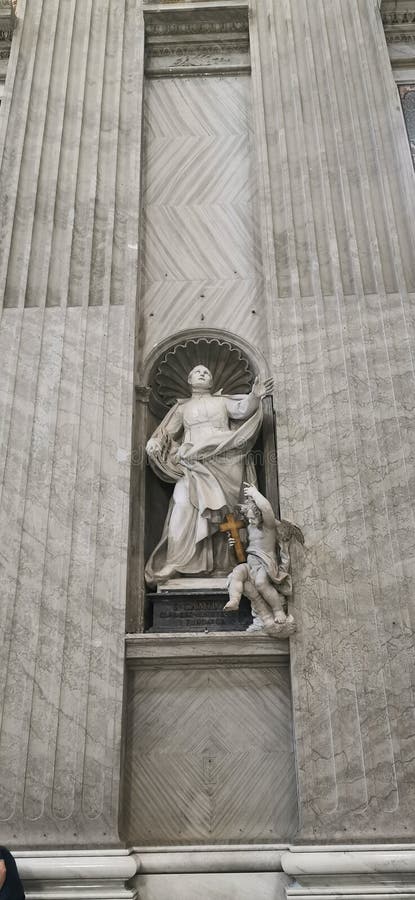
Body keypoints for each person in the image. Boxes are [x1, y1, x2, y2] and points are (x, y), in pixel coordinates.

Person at [145, 364, 272, 584]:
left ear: (212, 381)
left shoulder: (222, 401)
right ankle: (176, 562)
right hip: (193, 463)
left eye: (206, 372)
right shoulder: (182, 408)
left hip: (225, 458)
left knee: (225, 514)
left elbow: (242, 410)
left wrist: (254, 396)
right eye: (197, 372)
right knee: (182, 503)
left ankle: (224, 564)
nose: (202, 374)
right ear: (189, 380)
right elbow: (167, 433)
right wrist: (155, 442)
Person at [225, 483, 303, 637]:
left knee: (261, 583)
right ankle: (234, 600)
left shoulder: (268, 526)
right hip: (251, 563)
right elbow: (246, 548)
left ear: (260, 514)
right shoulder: (250, 527)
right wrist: (232, 546)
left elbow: (267, 509)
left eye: (253, 518)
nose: (250, 521)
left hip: (265, 564)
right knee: (237, 573)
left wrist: (254, 493)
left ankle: (278, 610)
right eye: (248, 518)